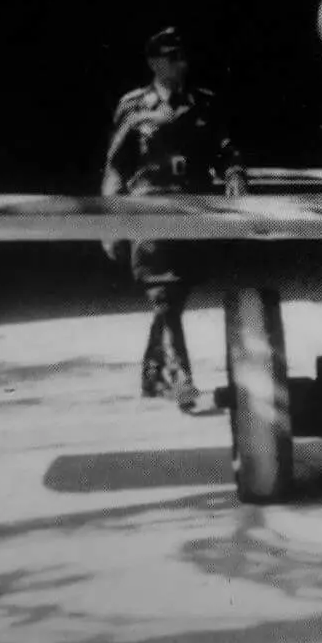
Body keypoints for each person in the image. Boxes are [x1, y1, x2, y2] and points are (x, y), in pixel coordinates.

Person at [102, 26, 238, 413]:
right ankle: (180, 379)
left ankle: (152, 374)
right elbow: (115, 166)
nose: (181, 64)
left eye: (184, 56)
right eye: (172, 57)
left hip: (192, 211)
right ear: (153, 62)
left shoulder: (203, 104)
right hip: (147, 211)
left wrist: (234, 174)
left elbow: (225, 150)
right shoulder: (133, 106)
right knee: (164, 294)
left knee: (173, 298)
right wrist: (109, 223)